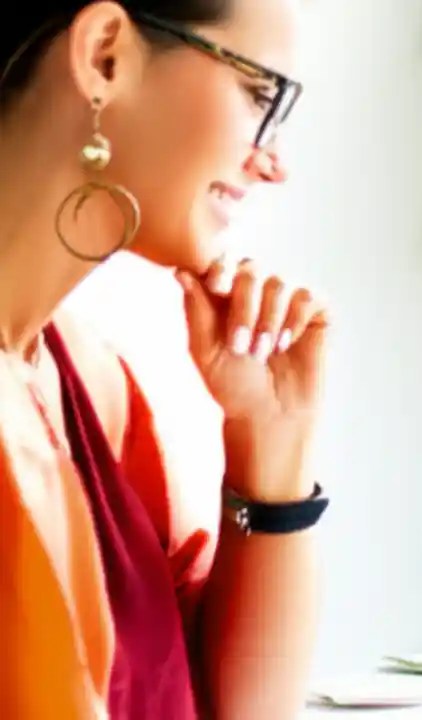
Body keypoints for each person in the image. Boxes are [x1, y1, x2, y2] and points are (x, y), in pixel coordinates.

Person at [0, 1, 328, 718]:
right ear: (106, 56)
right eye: (258, 95)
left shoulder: (86, 381)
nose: (272, 164)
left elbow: (233, 708)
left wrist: (271, 451)